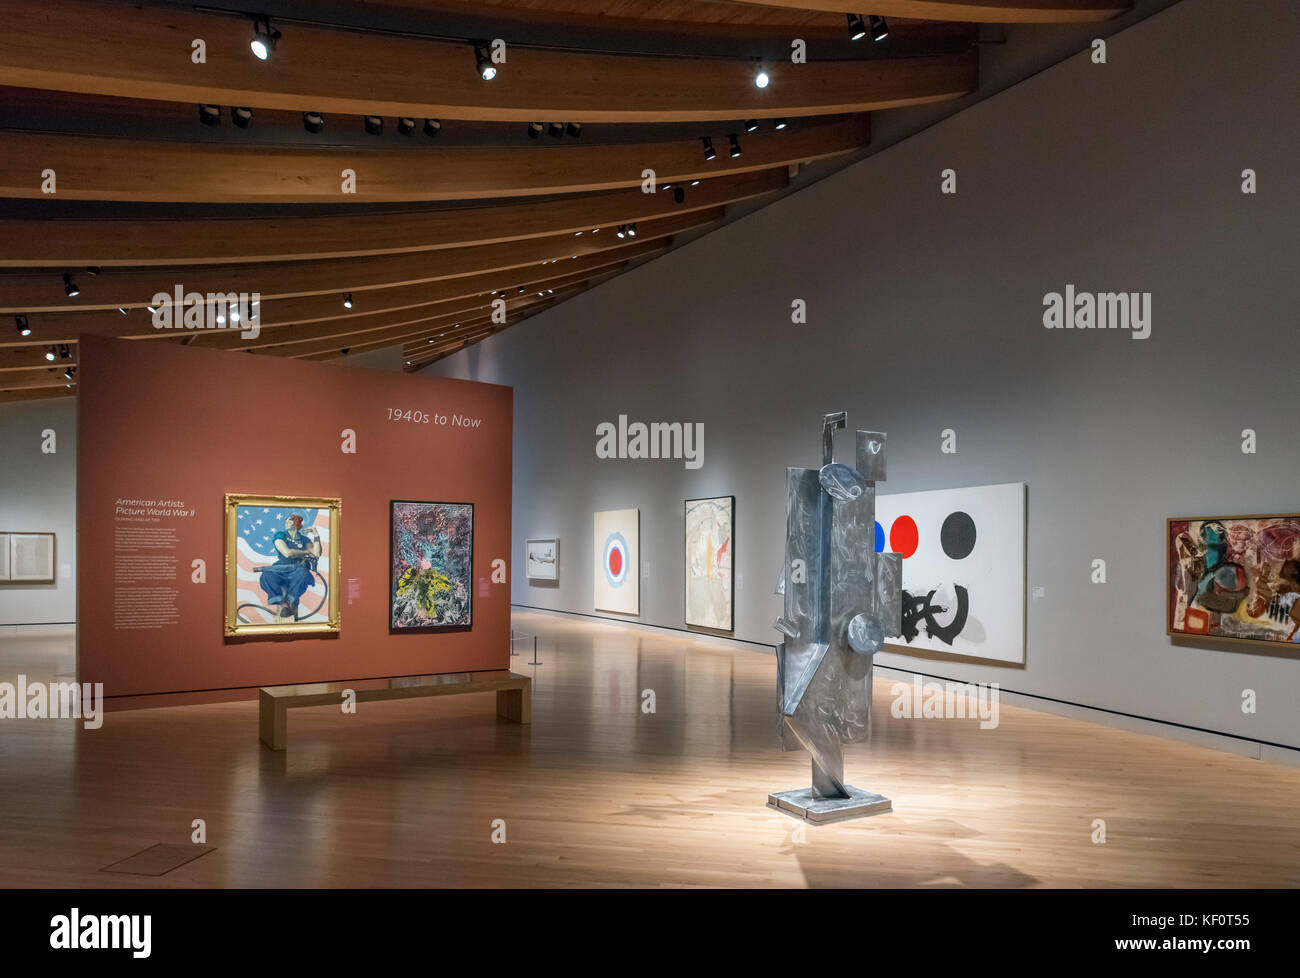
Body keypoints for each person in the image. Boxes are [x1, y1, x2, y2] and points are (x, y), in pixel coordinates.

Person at [259, 514, 321, 621]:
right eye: (286, 521)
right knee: (267, 575)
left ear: (297, 523)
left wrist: (316, 534)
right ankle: (283, 604)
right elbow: (287, 553)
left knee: (303, 574)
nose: (287, 523)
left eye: (290, 521)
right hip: (282, 566)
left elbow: (316, 553)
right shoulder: (281, 535)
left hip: (299, 568)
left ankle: (290, 601)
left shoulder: (304, 539)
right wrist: (306, 552)